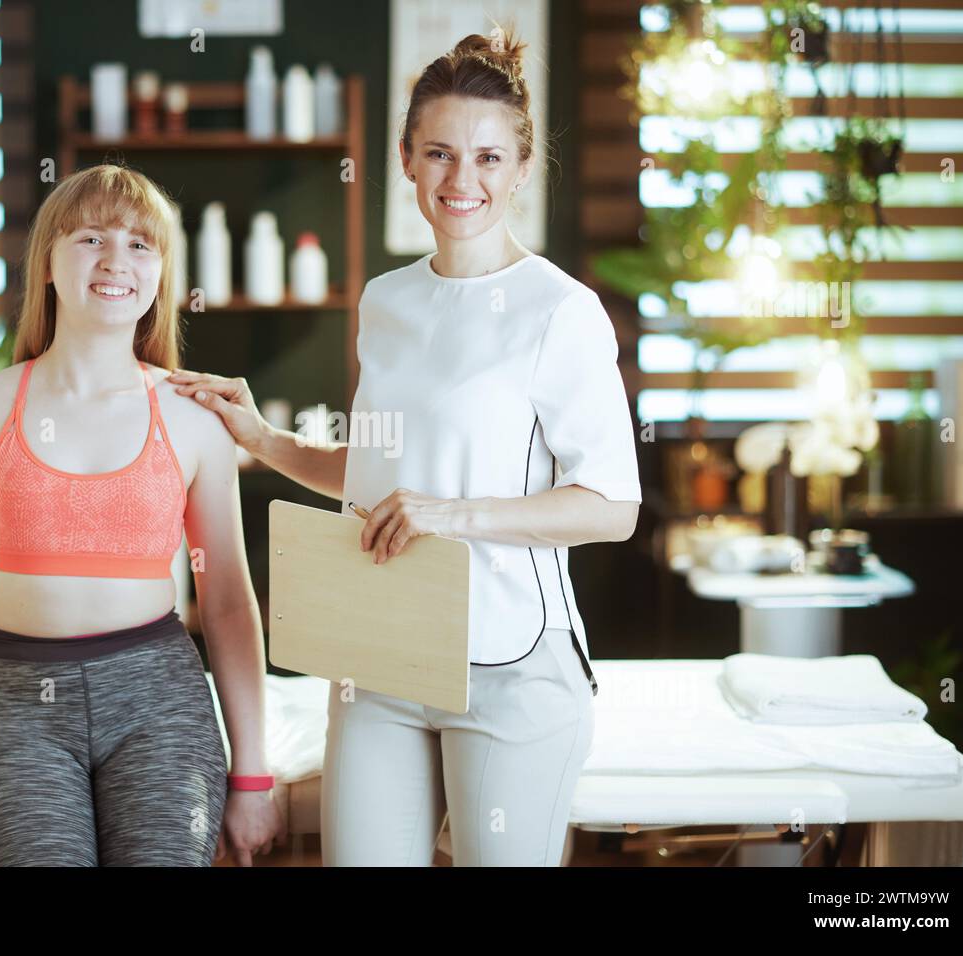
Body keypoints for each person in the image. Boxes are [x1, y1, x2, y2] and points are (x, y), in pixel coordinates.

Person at [169, 30, 642, 866]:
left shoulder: (559, 311)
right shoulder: (385, 301)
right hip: (381, 659)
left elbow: (612, 508)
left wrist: (449, 514)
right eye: (440, 154)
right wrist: (263, 439)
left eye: (490, 158)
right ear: (407, 161)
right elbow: (374, 472)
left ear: (523, 167)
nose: (464, 180)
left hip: (512, 670)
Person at [0, 164, 283, 866]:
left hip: (159, 702)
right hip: (15, 707)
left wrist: (252, 776)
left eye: (141, 245)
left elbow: (228, 601)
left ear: (162, 274)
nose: (117, 261)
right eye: (90, 239)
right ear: (47, 260)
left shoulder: (195, 417)